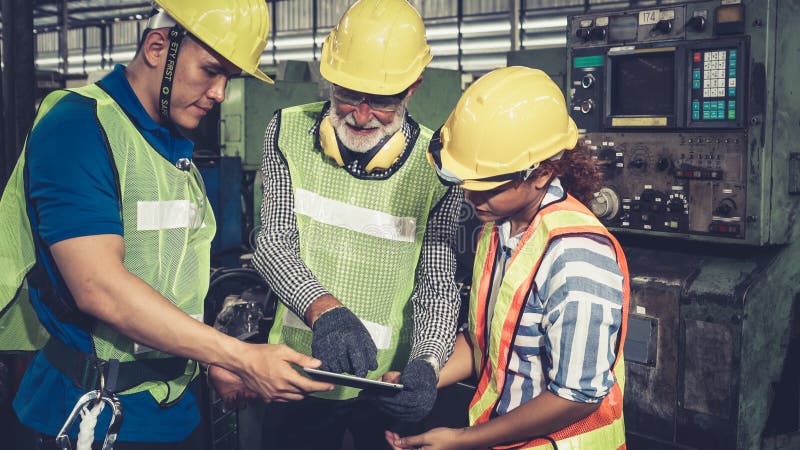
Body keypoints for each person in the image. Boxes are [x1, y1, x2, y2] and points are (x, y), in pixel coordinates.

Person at [0, 1, 333, 448]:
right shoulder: (79, 125)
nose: (219, 93)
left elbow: (167, 284)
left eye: (228, 78)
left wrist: (210, 361)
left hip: (174, 405)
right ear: (158, 47)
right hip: (95, 415)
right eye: (211, 70)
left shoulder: (172, 150)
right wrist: (240, 355)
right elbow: (99, 286)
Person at [247, 0, 463, 448]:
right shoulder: (285, 131)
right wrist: (324, 309)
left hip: (387, 384)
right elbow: (273, 242)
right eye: (346, 94)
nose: (360, 115)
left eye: (381, 101)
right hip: (298, 373)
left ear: (412, 89)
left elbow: (437, 283)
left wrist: (428, 362)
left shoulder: (438, 167)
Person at [385, 66, 630, 450]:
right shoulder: (498, 227)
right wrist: (425, 378)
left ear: (541, 173)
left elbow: (576, 395)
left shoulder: (576, 257)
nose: (471, 198)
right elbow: (487, 339)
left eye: (488, 187)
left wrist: (464, 439)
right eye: (466, 184)